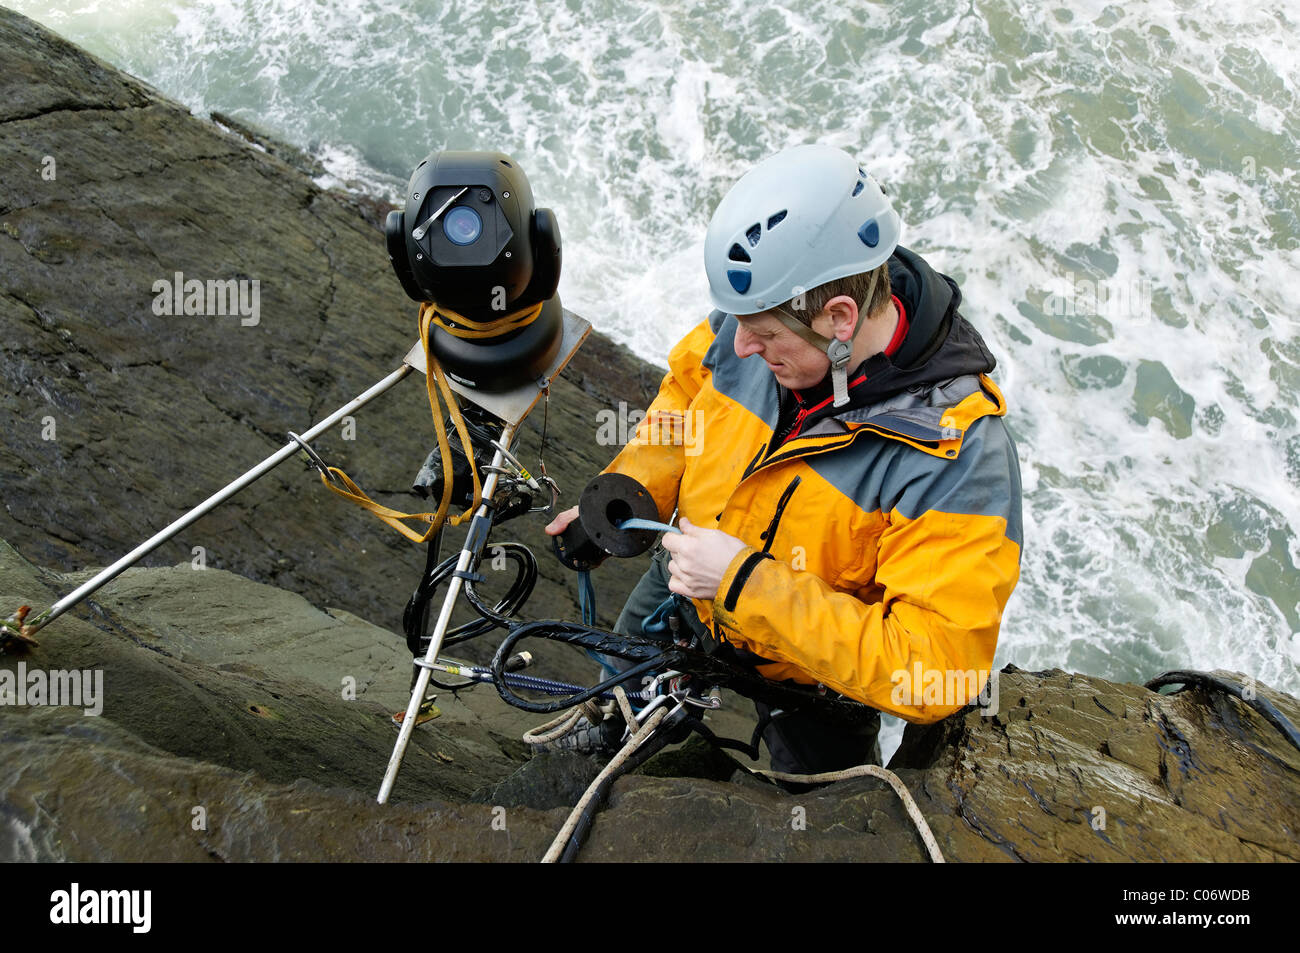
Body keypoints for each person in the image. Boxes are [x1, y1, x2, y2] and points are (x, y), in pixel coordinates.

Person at [545, 144, 1023, 774]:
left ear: (840, 318)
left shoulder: (959, 455)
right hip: (686, 587)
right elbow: (689, 395)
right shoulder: (763, 319)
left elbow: (936, 668)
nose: (739, 345)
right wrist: (634, 492)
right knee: (620, 704)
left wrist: (744, 583)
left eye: (764, 334)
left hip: (813, 676)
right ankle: (624, 731)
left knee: (821, 807)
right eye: (739, 323)